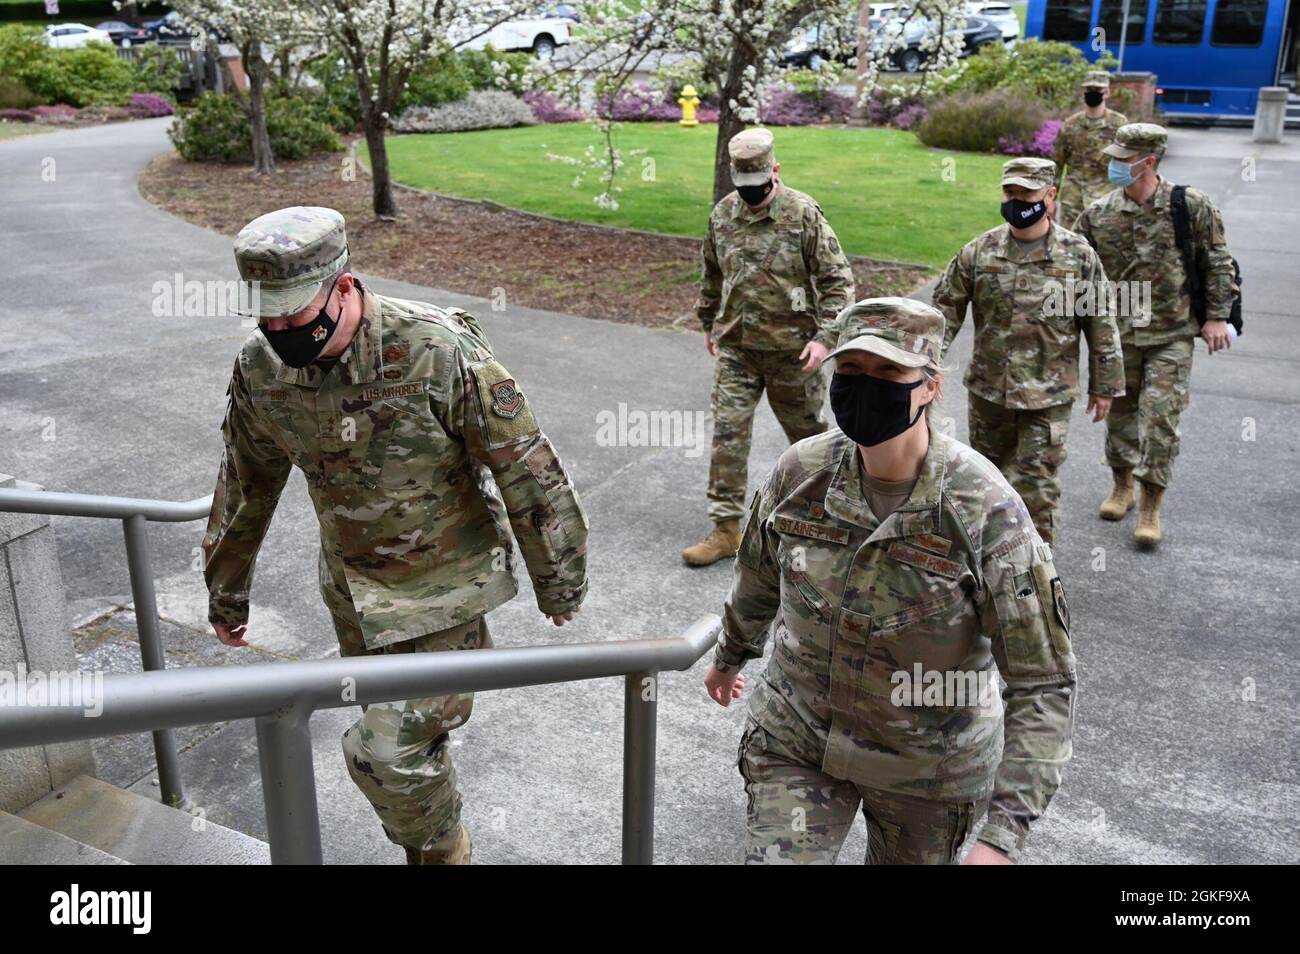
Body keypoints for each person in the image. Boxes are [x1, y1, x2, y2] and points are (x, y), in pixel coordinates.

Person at [202, 206, 588, 864]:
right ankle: (431, 846)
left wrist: (560, 578)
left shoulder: (436, 348)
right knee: (406, 746)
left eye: (294, 313)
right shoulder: (262, 370)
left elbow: (524, 465)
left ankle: (447, 855)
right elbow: (246, 482)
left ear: (344, 288)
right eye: (266, 314)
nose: (279, 329)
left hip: (446, 594)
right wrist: (226, 591)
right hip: (353, 599)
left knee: (385, 753)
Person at [704, 297, 1076, 865]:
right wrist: (730, 653)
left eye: (888, 373)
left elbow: (1042, 682)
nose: (864, 386)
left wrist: (1003, 836)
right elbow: (758, 573)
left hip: (927, 768)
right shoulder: (801, 472)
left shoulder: (984, 507)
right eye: (850, 371)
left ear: (930, 386)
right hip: (798, 738)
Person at [685, 127, 855, 566]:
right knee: (728, 435)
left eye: (760, 188)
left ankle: (827, 519)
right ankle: (726, 529)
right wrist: (708, 320)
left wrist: (824, 339)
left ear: (775, 172)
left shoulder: (802, 215)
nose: (752, 197)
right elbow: (711, 272)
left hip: (793, 354)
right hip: (738, 350)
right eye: (744, 190)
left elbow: (838, 283)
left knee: (810, 442)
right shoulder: (723, 214)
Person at [934, 157, 1125, 545]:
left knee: (1037, 486)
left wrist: (1105, 384)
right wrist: (921, 367)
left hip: (1047, 395)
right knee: (986, 481)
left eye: (1028, 193)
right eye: (1011, 192)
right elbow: (943, 313)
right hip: (990, 392)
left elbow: (1100, 320)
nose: (1018, 200)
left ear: (1050, 195)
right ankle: (989, 565)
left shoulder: (1077, 255)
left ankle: (1035, 575)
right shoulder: (980, 251)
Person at [1073, 123, 1238, 546]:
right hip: (1119, 337)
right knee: (1121, 420)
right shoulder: (1097, 214)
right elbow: (1076, 277)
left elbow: (1217, 262)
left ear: (1149, 161)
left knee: (1161, 419)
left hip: (1172, 333)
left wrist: (1217, 316)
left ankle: (1150, 504)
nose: (1113, 164)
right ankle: (1122, 485)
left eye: (1122, 158)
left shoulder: (1190, 205)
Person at [1052, 70, 1128, 227]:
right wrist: (1049, 199)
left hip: (1106, 196)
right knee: (1069, 243)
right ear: (1083, 92)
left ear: (1107, 93)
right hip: (1072, 198)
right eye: (1089, 90)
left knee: (1104, 245)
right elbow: (1057, 163)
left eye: (1097, 90)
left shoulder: (1119, 125)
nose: (1092, 94)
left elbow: (1128, 163)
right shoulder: (1070, 125)